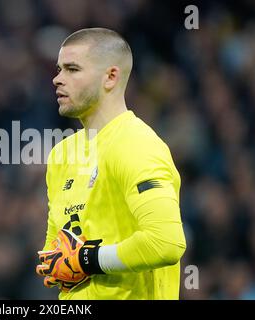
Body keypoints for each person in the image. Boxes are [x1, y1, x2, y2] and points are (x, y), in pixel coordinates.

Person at [36, 28, 187, 299]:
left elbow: (166, 243)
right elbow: (56, 252)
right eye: (59, 69)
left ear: (110, 77)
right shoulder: (62, 155)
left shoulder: (137, 144)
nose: (57, 79)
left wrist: (89, 260)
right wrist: (56, 264)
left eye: (72, 69)